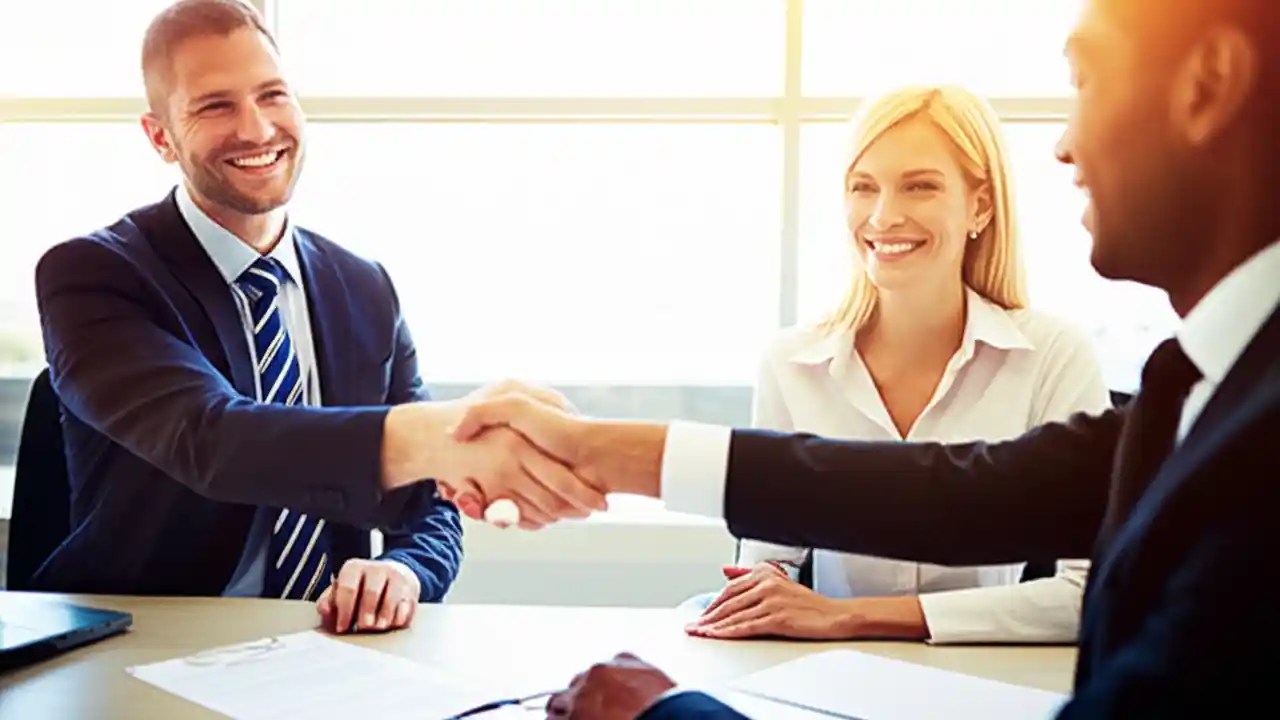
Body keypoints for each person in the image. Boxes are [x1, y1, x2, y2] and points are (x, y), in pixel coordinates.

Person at [444, 0, 1280, 716]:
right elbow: (957, 492)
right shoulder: (1195, 390)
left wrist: (673, 712)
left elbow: (984, 516)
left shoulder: (1243, 430)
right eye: (863, 185)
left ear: (1207, 87)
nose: (1064, 145)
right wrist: (596, 451)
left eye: (1086, 82)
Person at [31, 0, 604, 635]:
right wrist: (448, 433)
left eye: (272, 95)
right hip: (139, 638)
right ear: (160, 136)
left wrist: (407, 570)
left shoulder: (364, 287)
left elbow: (428, 504)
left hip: (317, 644)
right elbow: (213, 438)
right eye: (215, 106)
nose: (256, 129)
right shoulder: (92, 275)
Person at [686, 85, 1107, 645]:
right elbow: (773, 558)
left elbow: (1093, 593)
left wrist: (851, 616)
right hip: (824, 679)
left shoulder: (1054, 356)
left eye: (920, 186)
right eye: (864, 187)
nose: (884, 216)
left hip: (985, 681)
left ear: (980, 205)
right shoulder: (790, 364)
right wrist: (765, 586)